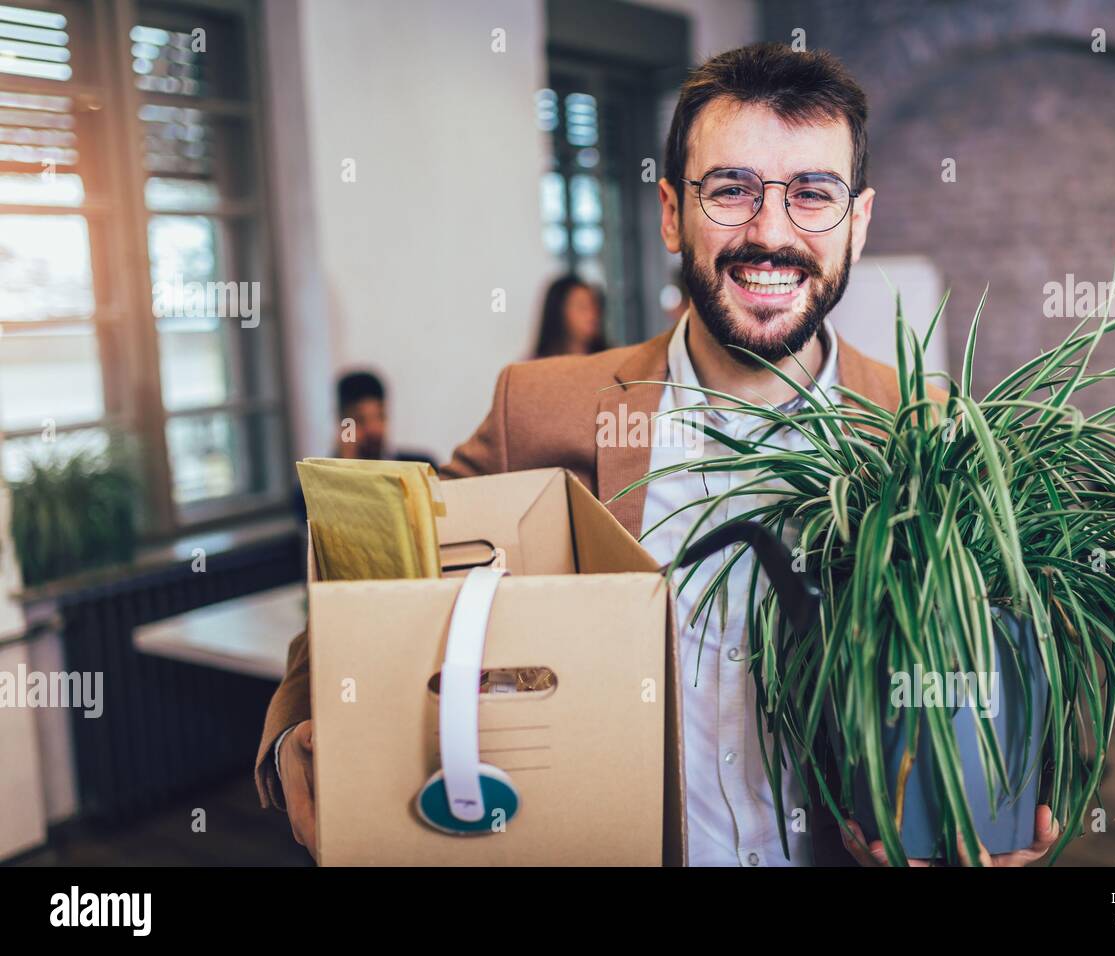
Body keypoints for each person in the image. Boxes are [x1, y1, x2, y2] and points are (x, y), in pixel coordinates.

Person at [260, 42, 1061, 868]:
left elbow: (1010, 650)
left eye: (812, 195)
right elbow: (372, 571)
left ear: (857, 223)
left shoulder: (923, 425)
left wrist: (1002, 798)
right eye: (731, 191)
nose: (769, 233)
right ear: (673, 212)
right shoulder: (538, 409)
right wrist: (294, 722)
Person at [292, 371, 437, 518]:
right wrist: (346, 466)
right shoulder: (310, 490)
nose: (373, 429)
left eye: (380, 416)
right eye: (360, 420)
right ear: (343, 424)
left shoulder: (420, 467)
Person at [531, 274, 608, 357]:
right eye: (582, 307)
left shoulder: (613, 360)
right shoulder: (535, 365)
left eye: (595, 305)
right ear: (559, 313)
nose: (593, 314)